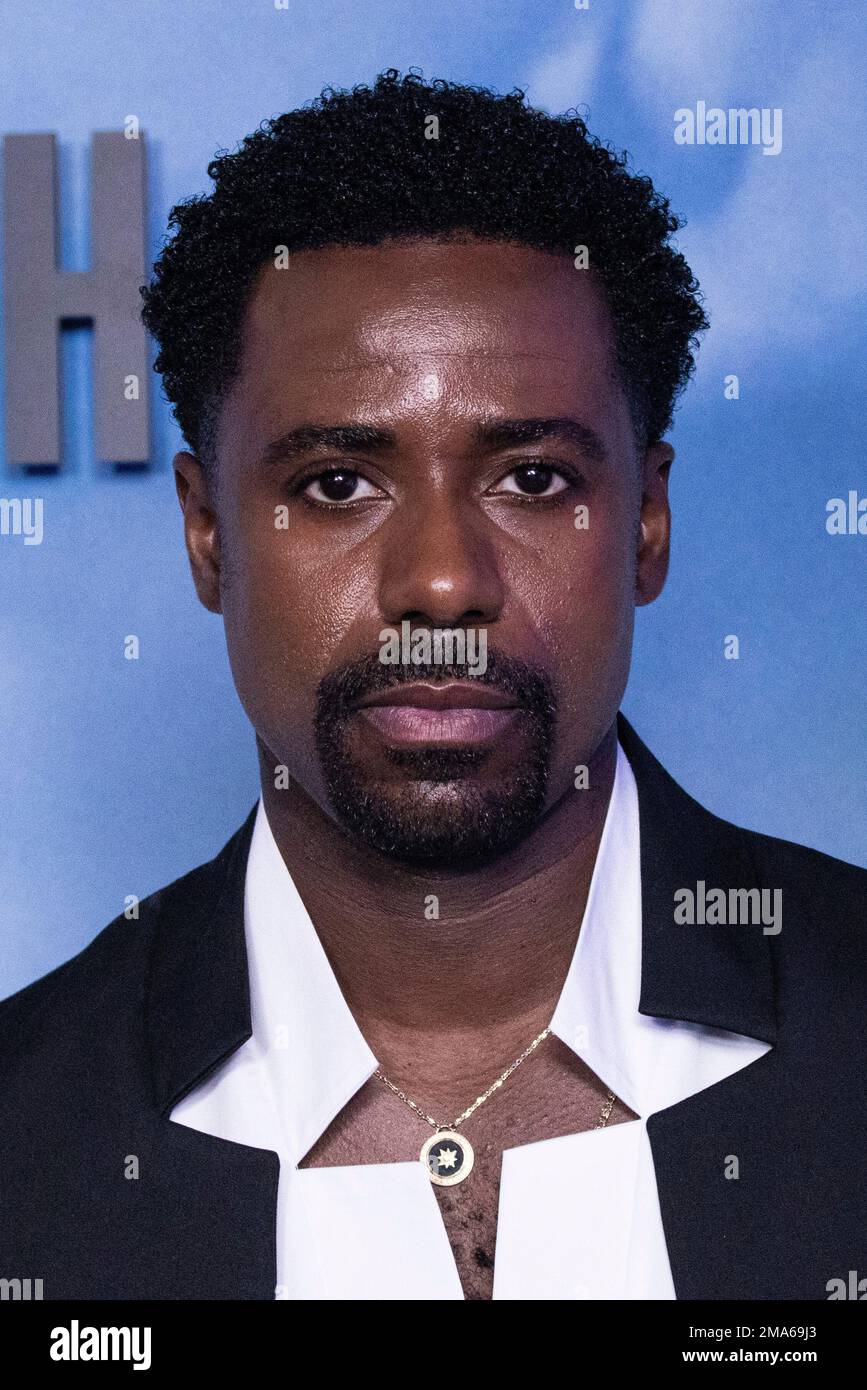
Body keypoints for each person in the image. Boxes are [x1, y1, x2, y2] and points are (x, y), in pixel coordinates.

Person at [2, 71, 865, 1301]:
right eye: (339, 485)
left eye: (532, 478)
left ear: (649, 523)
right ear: (206, 534)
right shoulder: (26, 1146)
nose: (444, 584)